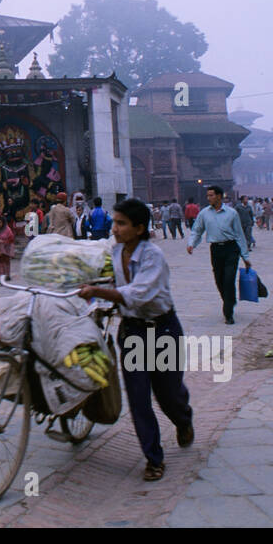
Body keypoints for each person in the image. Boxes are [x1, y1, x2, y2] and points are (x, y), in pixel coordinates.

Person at [78, 198, 193, 483]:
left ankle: (183, 418)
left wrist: (98, 292)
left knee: (168, 393)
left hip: (162, 330)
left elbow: (138, 293)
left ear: (139, 228)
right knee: (139, 398)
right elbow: (110, 282)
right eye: (114, 223)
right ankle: (154, 457)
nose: (114, 229)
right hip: (132, 333)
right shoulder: (115, 252)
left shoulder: (153, 255)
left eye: (121, 223)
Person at [187, 185, 251, 324]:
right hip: (216, 250)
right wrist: (192, 243)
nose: (209, 198)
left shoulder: (232, 213)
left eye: (211, 195)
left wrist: (245, 257)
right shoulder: (204, 213)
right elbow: (197, 230)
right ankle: (230, 300)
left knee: (229, 279)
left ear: (219, 196)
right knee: (219, 280)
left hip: (231, 248)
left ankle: (228, 312)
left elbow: (239, 235)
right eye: (208, 195)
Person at [0, 214, 15, 284]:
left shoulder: (8, 230)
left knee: (4, 264)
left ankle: (4, 277)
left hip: (5, 252)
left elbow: (11, 239)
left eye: (0, 222)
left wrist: (4, 242)